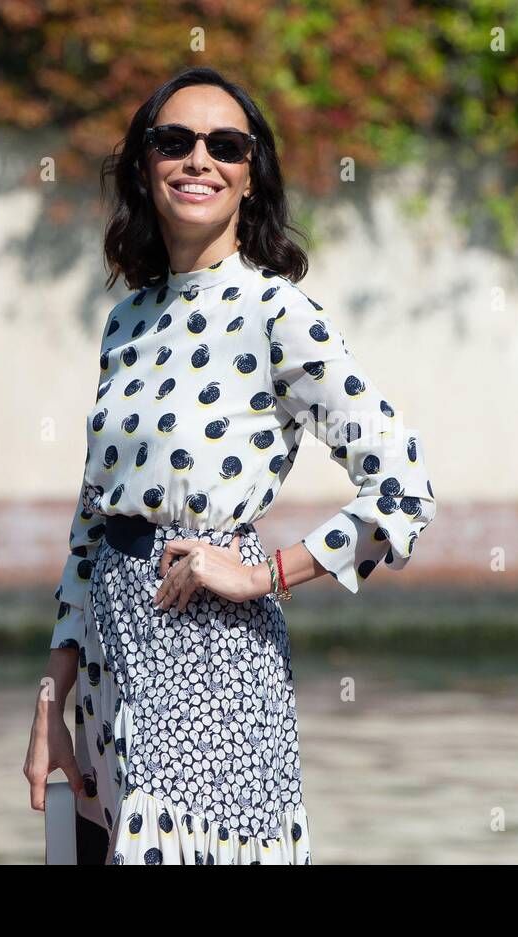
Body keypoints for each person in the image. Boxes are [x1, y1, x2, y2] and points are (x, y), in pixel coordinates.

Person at [22, 66, 437, 865]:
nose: (198, 159)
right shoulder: (126, 322)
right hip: (112, 663)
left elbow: (404, 485)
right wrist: (52, 695)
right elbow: (90, 520)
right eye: (173, 141)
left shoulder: (276, 311)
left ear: (252, 176)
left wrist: (264, 572)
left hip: (212, 662)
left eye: (226, 145)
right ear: (146, 167)